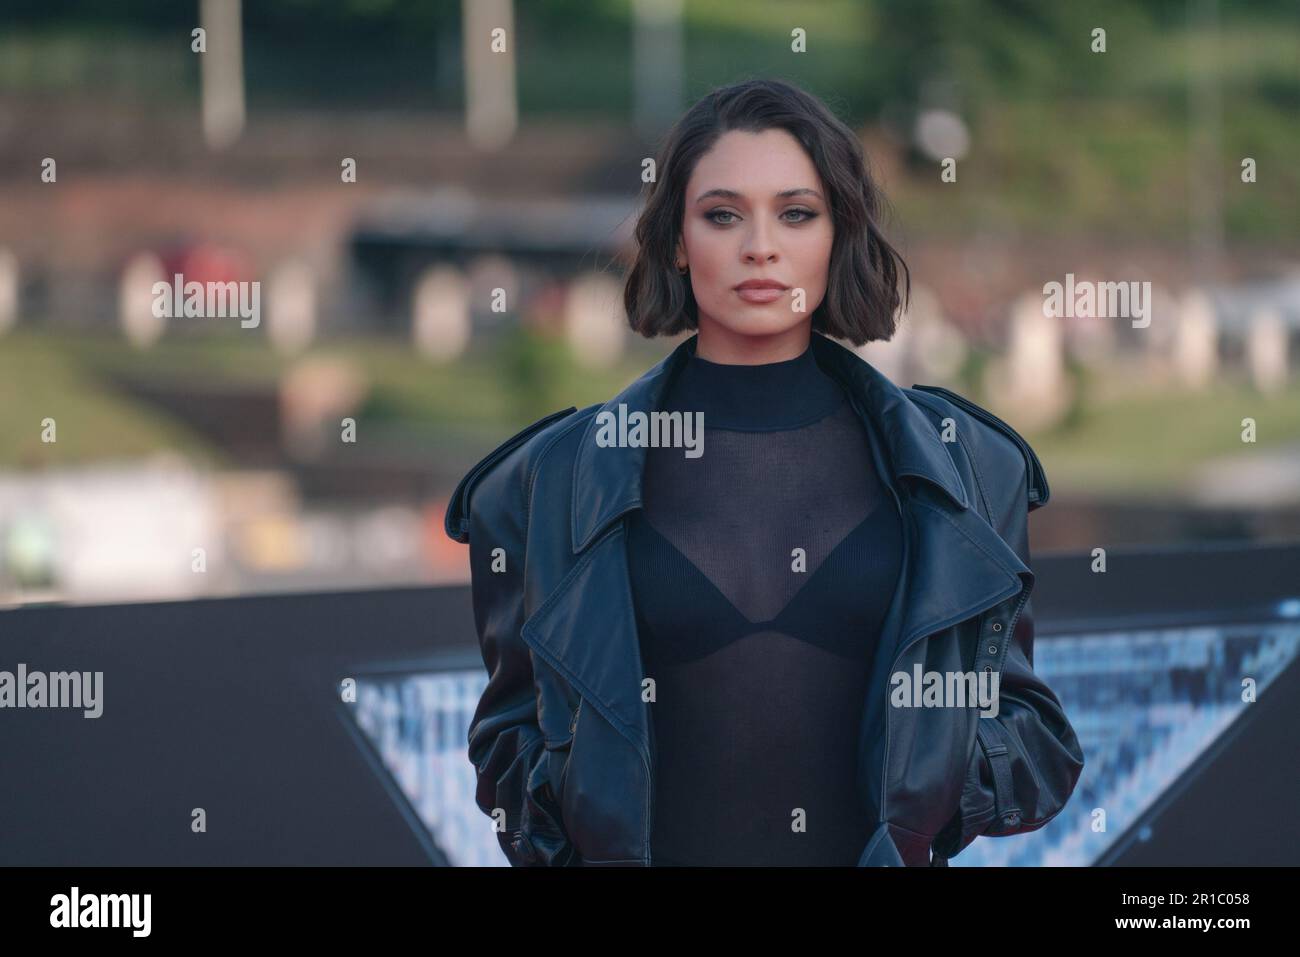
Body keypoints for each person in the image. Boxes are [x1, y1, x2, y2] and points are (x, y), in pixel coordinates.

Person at [445, 78, 1084, 867]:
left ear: (837, 233)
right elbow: (508, 744)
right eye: (722, 214)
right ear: (676, 239)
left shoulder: (968, 464)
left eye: (796, 212)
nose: (760, 246)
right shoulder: (543, 481)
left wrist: (926, 797)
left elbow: (1031, 740)